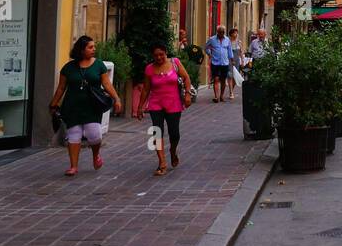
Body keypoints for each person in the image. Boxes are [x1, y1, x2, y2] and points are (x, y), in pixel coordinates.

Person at [50, 36, 122, 177]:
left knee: (94, 135)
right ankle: (73, 166)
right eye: (90, 47)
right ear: (81, 50)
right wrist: (54, 103)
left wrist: (116, 98)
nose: (94, 49)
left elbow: (107, 84)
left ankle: (96, 155)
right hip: (72, 106)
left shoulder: (99, 65)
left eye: (94, 47)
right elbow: (61, 88)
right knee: (74, 135)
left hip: (92, 106)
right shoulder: (68, 68)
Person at [136, 44, 193, 176]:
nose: (159, 57)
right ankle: (162, 162)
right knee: (156, 131)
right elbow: (146, 89)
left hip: (174, 103)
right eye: (156, 55)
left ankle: (173, 151)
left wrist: (188, 94)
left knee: (174, 134)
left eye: (161, 54)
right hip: (156, 104)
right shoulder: (149, 69)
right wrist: (140, 107)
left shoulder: (175, 63)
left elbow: (186, 78)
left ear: (166, 53)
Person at [204, 25, 231, 103]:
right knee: (216, 79)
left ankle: (221, 96)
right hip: (215, 62)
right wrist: (209, 54)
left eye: (222, 33)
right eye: (220, 33)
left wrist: (231, 60)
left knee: (223, 80)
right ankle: (216, 97)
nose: (221, 34)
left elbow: (229, 51)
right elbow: (206, 47)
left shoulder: (227, 40)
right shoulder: (212, 39)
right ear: (217, 32)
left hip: (225, 63)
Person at [226, 27, 243, 101]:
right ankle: (231, 92)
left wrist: (242, 61)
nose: (236, 34)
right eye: (234, 33)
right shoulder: (227, 42)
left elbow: (241, 52)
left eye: (236, 33)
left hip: (237, 61)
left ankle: (231, 90)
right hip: (229, 60)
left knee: (235, 78)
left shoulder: (239, 42)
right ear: (231, 34)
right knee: (230, 75)